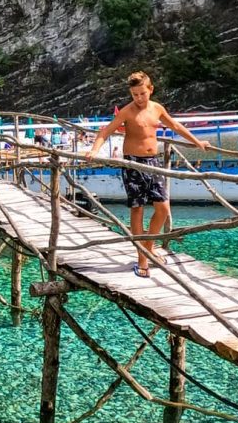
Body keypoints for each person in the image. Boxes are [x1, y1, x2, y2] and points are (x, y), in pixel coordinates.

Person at [88, 70, 210, 277]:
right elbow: (105, 132)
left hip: (152, 162)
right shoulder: (127, 112)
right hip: (133, 164)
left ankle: (149, 246)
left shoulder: (157, 108)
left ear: (150, 89)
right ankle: (142, 259)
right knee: (137, 209)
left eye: (142, 94)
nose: (139, 98)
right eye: (135, 95)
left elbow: (175, 125)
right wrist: (94, 150)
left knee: (163, 208)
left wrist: (197, 142)